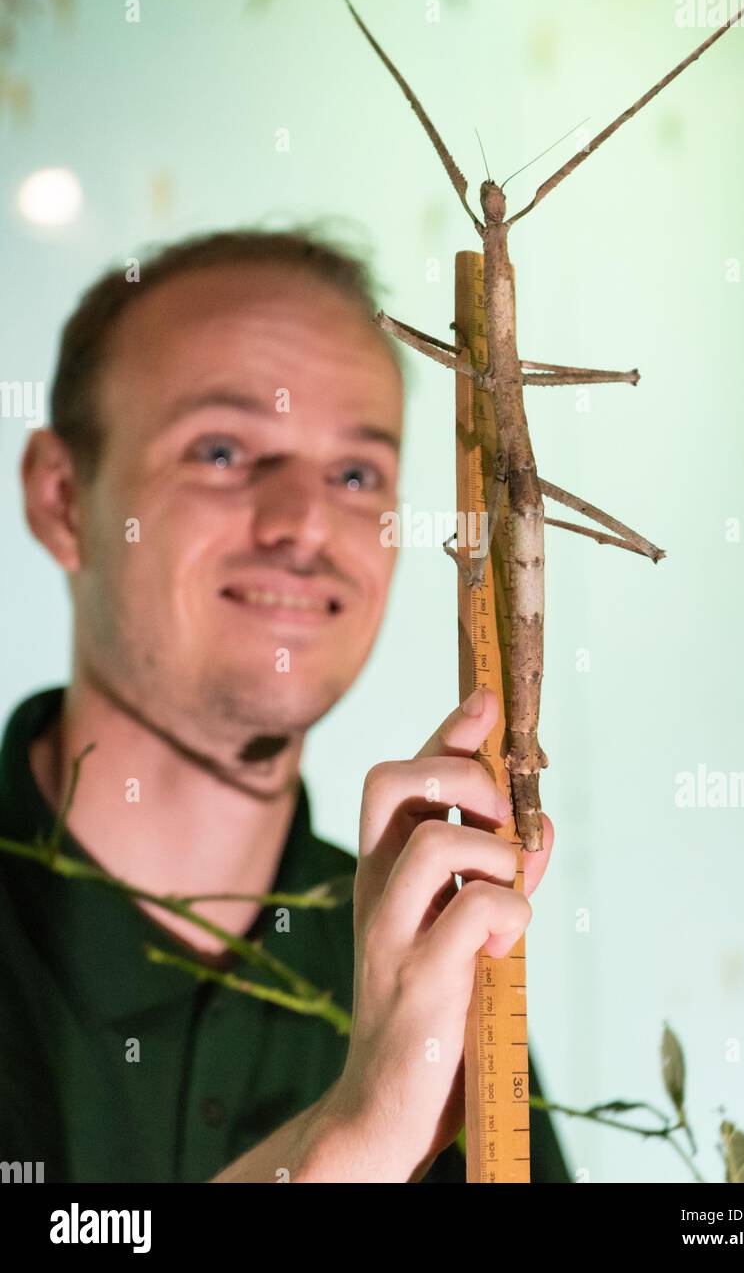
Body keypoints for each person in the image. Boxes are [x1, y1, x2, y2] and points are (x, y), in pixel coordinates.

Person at [0, 228, 569, 1183]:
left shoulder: (440, 966)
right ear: (62, 498)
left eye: (355, 474)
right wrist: (346, 1145)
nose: (306, 522)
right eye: (222, 451)